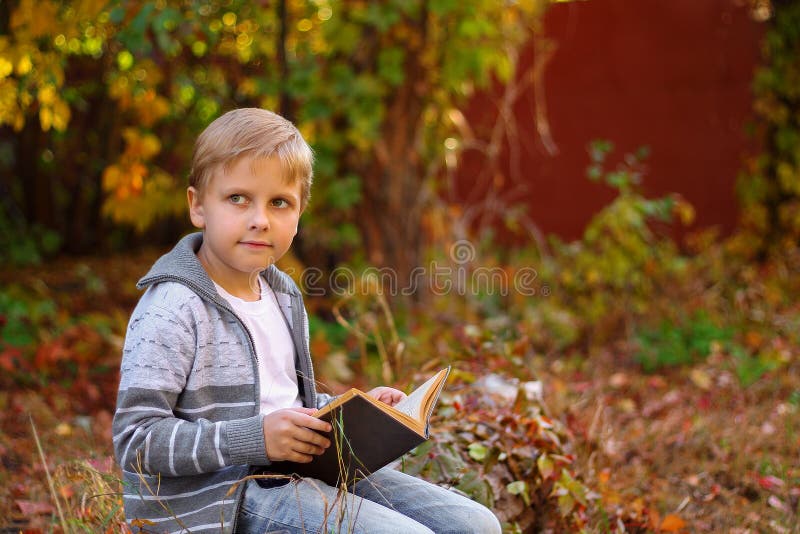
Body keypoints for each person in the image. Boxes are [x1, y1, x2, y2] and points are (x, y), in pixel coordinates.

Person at [112, 108, 501, 534]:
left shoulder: (283, 295)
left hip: (302, 473)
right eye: (238, 198)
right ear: (198, 206)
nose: (260, 218)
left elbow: (285, 405)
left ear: (298, 216)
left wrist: (352, 414)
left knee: (474, 524)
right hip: (222, 503)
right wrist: (256, 437)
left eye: (279, 202)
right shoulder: (172, 306)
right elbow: (135, 440)